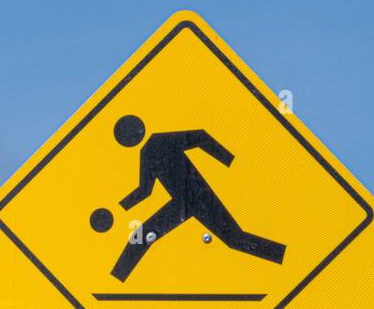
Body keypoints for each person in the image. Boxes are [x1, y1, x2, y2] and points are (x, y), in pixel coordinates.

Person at [109, 114, 285, 281]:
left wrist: (229, 160)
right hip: (181, 203)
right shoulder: (149, 150)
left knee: (235, 239)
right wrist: (120, 206)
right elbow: (145, 191)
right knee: (141, 236)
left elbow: (200, 137)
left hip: (199, 196)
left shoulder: (157, 142)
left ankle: (283, 256)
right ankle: (113, 281)